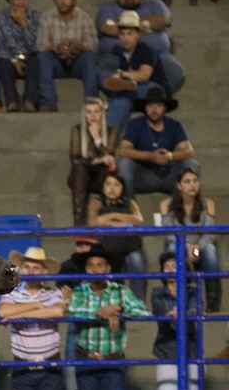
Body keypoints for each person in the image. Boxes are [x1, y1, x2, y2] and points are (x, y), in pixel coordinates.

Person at [67, 243, 149, 390]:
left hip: (113, 362)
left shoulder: (120, 290)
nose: (94, 269)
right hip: (86, 360)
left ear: (108, 268)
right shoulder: (79, 291)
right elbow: (73, 312)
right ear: (86, 269)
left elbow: (143, 311)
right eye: (91, 265)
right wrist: (104, 313)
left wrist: (119, 308)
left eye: (99, 265)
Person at [0, 247, 71, 390]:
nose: (31, 271)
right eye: (27, 267)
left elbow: (57, 311)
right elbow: (4, 311)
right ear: (21, 269)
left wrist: (18, 315)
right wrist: (37, 305)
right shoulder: (12, 292)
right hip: (22, 367)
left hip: (50, 367)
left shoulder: (53, 292)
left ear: (44, 271)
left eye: (36, 267)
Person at [116, 85, 198, 199]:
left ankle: (188, 207)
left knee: (191, 164)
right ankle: (129, 206)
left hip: (169, 173)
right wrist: (150, 155)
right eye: (150, 105)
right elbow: (123, 150)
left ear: (164, 108)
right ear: (145, 107)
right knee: (124, 163)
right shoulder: (135, 124)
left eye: (158, 105)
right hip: (143, 175)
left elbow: (189, 151)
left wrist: (170, 156)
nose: (154, 109)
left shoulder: (174, 125)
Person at [96, 0, 184, 93]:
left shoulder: (154, 4)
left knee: (174, 70)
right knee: (103, 72)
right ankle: (146, 92)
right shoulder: (108, 7)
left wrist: (126, 21)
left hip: (156, 55)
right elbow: (108, 28)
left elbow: (164, 20)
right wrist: (147, 24)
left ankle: (140, 91)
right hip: (116, 56)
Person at [159, 167, 220, 312]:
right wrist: (186, 246)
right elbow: (169, 233)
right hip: (180, 246)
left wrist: (196, 248)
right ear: (179, 186)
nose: (192, 185)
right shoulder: (166, 204)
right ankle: (171, 299)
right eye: (187, 181)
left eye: (195, 181)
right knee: (171, 249)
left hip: (199, 249)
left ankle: (213, 302)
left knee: (210, 250)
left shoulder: (208, 204)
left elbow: (209, 232)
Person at [98, 11, 170, 130]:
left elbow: (145, 75)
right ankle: (110, 138)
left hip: (154, 90)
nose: (125, 38)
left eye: (130, 34)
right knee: (120, 98)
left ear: (138, 35)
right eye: (122, 34)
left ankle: (118, 94)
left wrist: (121, 74)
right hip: (133, 92)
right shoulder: (124, 55)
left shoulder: (146, 49)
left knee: (124, 91)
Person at [36, 0, 98, 113]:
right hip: (56, 61)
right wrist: (56, 47)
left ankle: (92, 103)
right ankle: (48, 103)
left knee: (89, 57)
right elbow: (40, 45)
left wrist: (77, 46)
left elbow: (93, 44)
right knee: (43, 57)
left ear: (73, 0)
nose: (62, 1)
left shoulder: (84, 17)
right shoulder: (47, 17)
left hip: (77, 61)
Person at [88, 171, 146, 301]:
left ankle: (138, 303)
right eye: (108, 184)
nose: (112, 188)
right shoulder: (96, 203)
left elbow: (138, 220)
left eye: (116, 184)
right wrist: (121, 224)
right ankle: (114, 301)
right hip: (107, 247)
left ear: (122, 187)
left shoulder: (130, 203)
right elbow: (94, 222)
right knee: (107, 264)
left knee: (137, 262)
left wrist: (111, 216)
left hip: (129, 247)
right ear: (103, 187)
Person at [151, 250, 199, 390]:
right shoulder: (157, 292)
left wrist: (179, 315)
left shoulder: (193, 292)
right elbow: (160, 312)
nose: (170, 270)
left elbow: (194, 311)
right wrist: (178, 316)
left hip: (191, 352)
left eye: (175, 266)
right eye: (166, 267)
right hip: (166, 353)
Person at [58, 234, 98, 390]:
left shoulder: (103, 267)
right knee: (70, 364)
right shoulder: (68, 266)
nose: (82, 248)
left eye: (86, 244)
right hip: (77, 322)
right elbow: (63, 298)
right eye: (79, 244)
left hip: (98, 325)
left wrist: (74, 299)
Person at [0, 0, 41, 113]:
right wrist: (14, 60)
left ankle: (29, 101)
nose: (21, 2)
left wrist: (23, 24)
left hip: (30, 56)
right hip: (9, 57)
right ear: (10, 0)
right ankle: (12, 101)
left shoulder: (37, 17)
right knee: (3, 63)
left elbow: (38, 45)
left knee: (37, 60)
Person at [68, 97, 116, 226]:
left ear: (102, 114)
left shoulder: (111, 131)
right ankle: (79, 228)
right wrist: (98, 160)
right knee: (80, 169)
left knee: (108, 171)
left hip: (102, 174)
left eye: (96, 111)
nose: (93, 116)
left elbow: (110, 159)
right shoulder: (77, 130)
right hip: (81, 176)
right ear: (84, 114)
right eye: (89, 112)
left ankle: (107, 222)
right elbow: (75, 160)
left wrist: (97, 138)